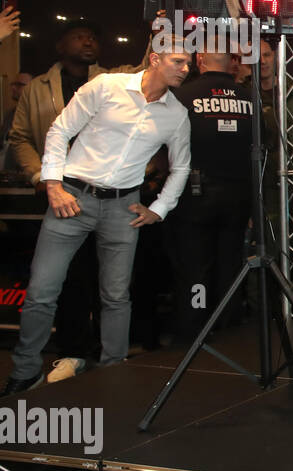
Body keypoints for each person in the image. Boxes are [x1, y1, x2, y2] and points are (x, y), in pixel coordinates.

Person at [3, 45, 192, 395]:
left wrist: (160, 208)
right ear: (155, 59)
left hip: (124, 207)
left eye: (188, 64)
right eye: (177, 61)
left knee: (116, 296)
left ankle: (113, 371)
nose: (184, 69)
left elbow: (181, 166)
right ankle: (25, 372)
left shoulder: (176, 114)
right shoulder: (107, 86)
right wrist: (53, 185)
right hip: (72, 197)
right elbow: (60, 130)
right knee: (42, 291)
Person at [168, 50, 256, 345]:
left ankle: (194, 329)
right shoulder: (249, 97)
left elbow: (165, 142)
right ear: (231, 63)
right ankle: (228, 327)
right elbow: (264, 144)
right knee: (229, 263)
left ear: (200, 62)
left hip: (195, 192)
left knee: (195, 266)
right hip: (239, 194)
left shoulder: (182, 95)